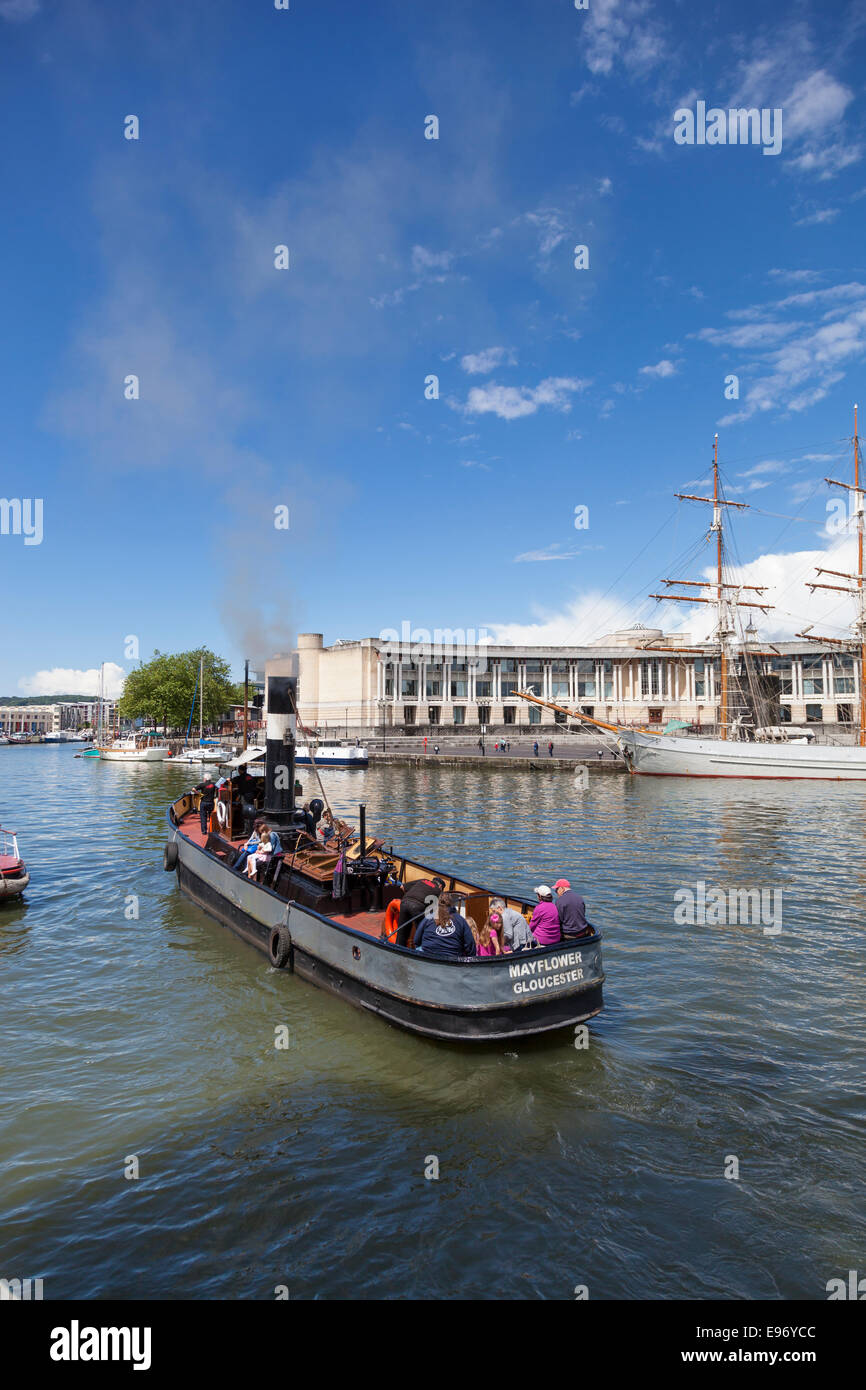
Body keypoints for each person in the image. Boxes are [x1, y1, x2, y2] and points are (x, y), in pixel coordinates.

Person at [414, 892, 476, 959]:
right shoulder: (461, 920)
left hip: (428, 956)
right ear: (452, 903)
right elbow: (470, 945)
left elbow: (417, 940)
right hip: (452, 958)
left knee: (419, 949)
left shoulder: (428, 917)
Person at [396, 874, 446, 949]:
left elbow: (402, 887)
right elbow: (439, 907)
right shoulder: (438, 890)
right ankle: (421, 951)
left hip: (404, 902)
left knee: (401, 932)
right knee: (422, 931)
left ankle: (397, 950)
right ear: (440, 887)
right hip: (418, 906)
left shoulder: (422, 880)